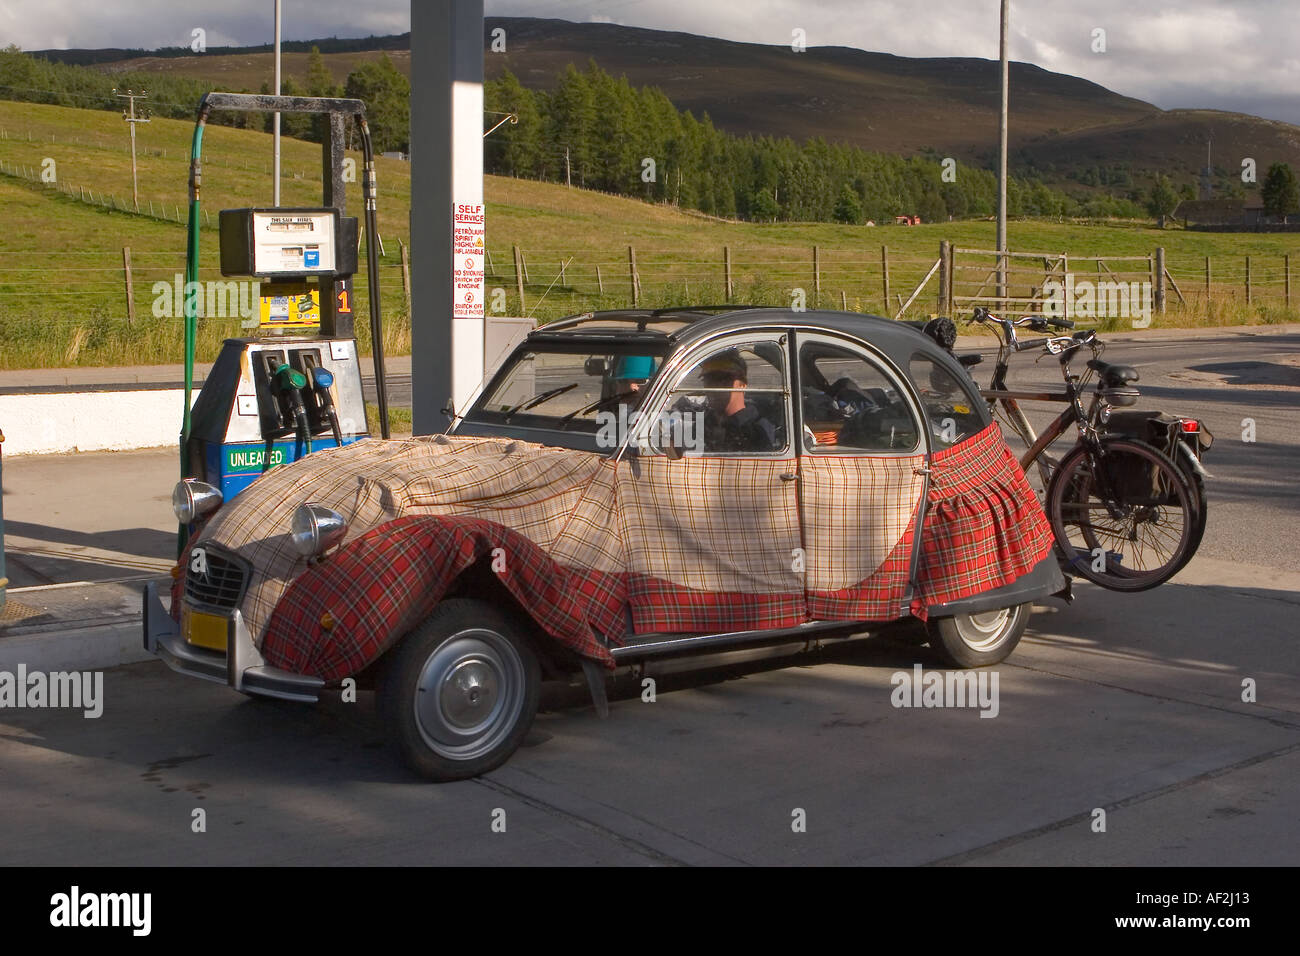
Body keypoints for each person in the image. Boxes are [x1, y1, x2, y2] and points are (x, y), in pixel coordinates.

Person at [694, 349, 780, 452]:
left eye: (723, 380)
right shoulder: (704, 423)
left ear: (743, 385)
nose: (715, 387)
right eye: (708, 380)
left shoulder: (757, 429)